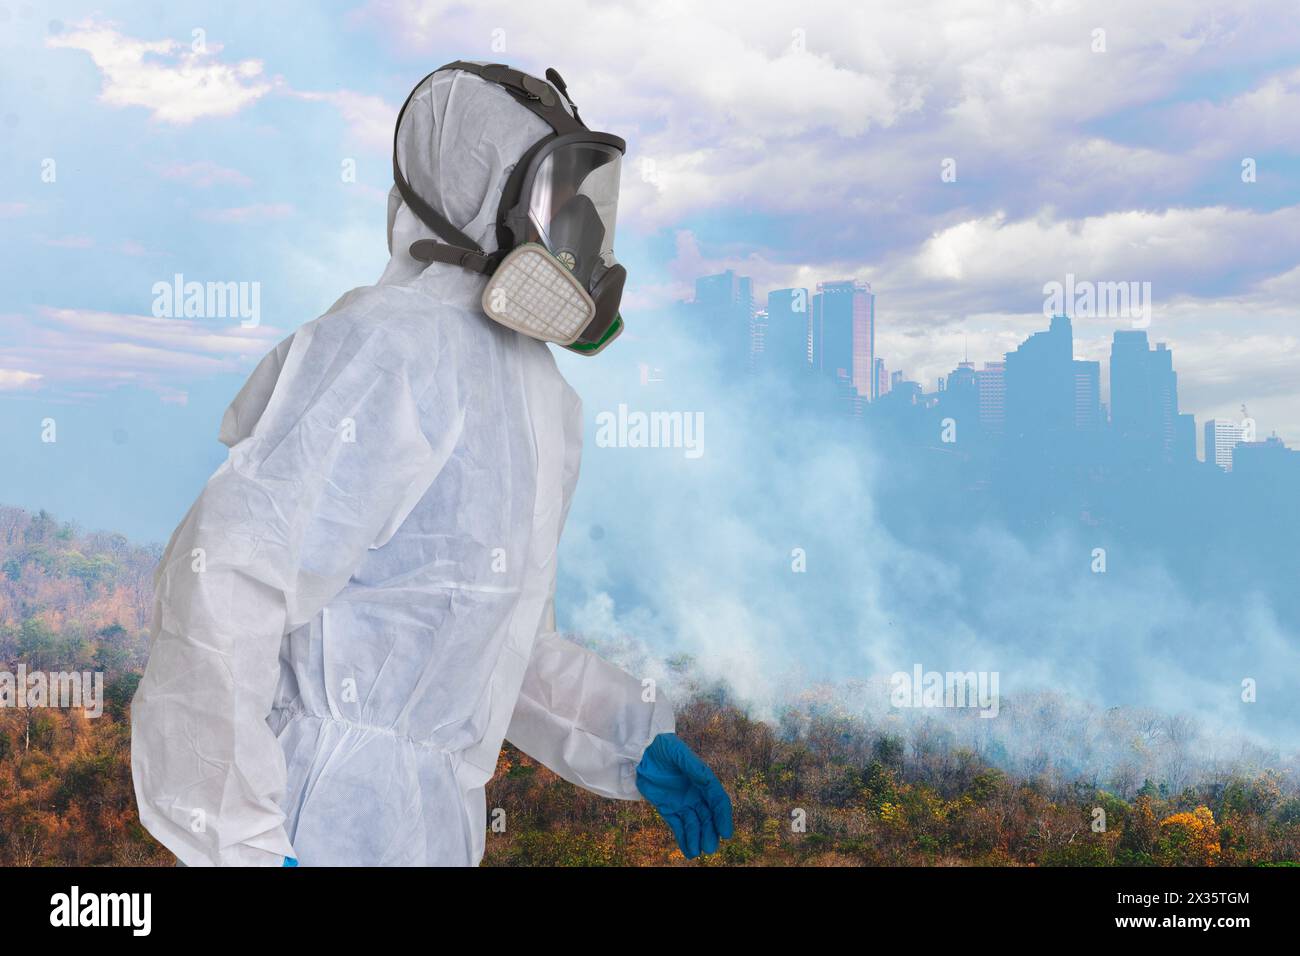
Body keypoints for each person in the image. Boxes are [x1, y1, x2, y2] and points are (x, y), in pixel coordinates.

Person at [130, 62, 732, 866]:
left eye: (588, 207)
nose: (579, 238)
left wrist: (630, 738)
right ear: (478, 189)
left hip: (438, 829)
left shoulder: (543, 407)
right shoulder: (382, 348)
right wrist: (242, 837)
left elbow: (502, 647)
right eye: (557, 202)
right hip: (312, 817)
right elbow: (228, 581)